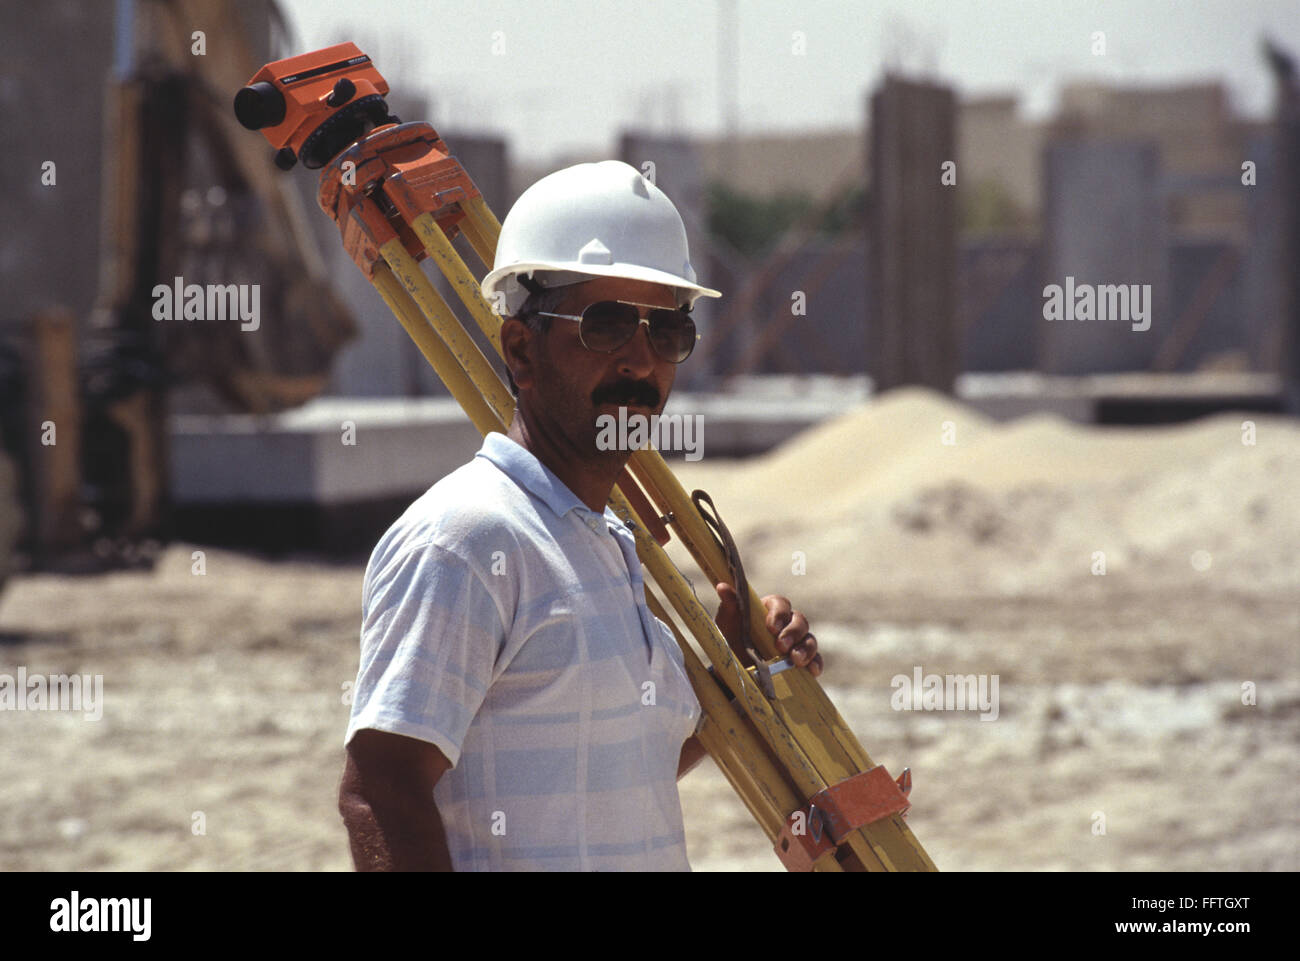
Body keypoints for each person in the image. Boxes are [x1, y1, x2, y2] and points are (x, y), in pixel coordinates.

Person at [338, 160, 822, 871]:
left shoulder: (607, 541)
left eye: (667, 332)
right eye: (607, 325)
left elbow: (612, 768)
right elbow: (381, 790)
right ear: (521, 350)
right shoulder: (466, 538)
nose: (641, 362)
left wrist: (742, 667)